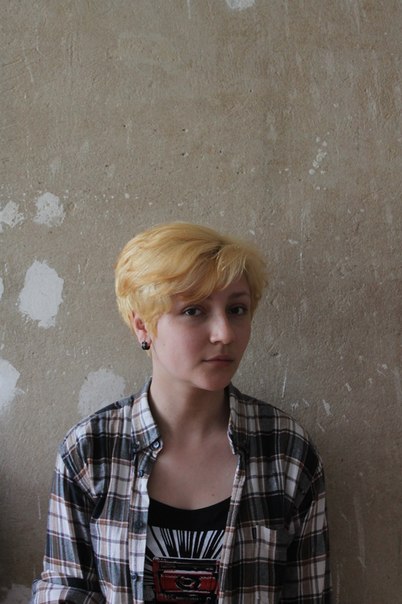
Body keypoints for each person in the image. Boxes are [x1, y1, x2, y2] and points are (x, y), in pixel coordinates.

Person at [31, 222, 331, 603]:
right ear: (142, 325)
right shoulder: (90, 451)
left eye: (237, 309)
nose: (225, 333)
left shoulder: (286, 451)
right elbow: (65, 591)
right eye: (194, 310)